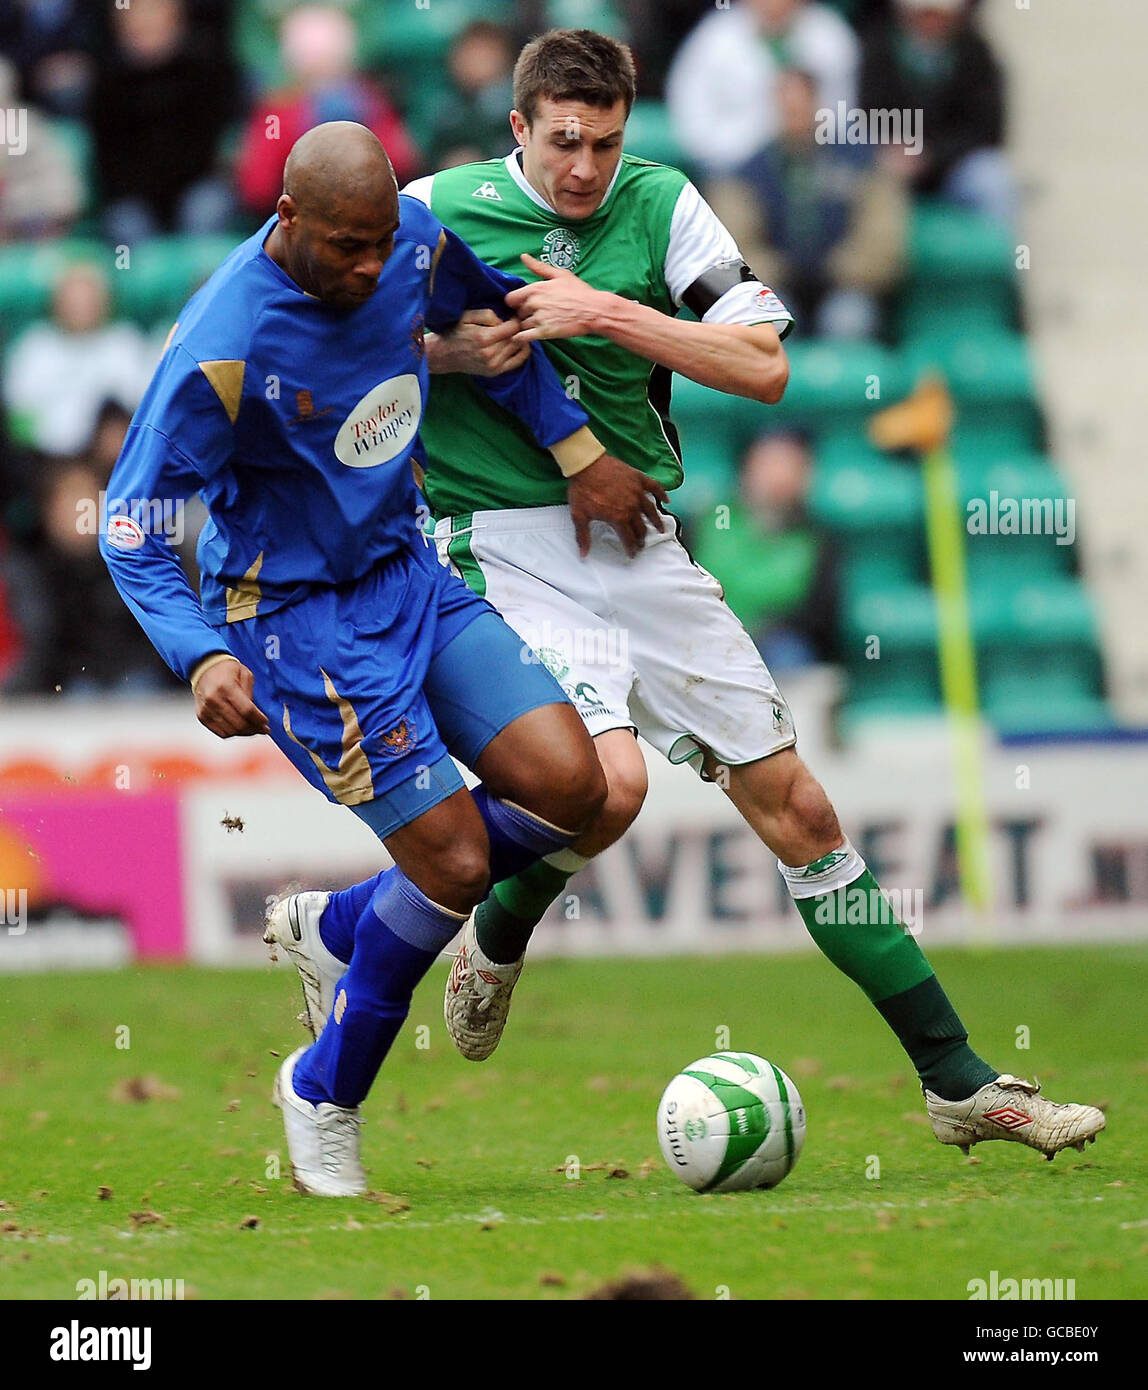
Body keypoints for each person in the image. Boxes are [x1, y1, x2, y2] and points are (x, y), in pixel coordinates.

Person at [350, 27, 1096, 1164]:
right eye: (563, 142)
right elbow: (348, 346)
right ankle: (478, 929)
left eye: (604, 142)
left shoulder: (663, 206)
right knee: (607, 785)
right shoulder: (435, 207)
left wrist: (607, 311)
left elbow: (763, 365)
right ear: (518, 129)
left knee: (797, 807)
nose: (584, 168)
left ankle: (957, 1083)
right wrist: (455, 359)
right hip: (494, 536)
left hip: (635, 534)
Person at [99, 120, 669, 1196]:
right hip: (298, 620)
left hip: (409, 572)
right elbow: (130, 522)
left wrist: (576, 447)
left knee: (571, 788)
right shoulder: (222, 346)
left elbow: (489, 324)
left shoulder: (410, 235)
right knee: (452, 865)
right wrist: (197, 653)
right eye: (346, 248)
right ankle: (323, 1088)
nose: (372, 267)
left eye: (379, 242)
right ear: (288, 220)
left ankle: (338, 924)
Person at [691, 431, 840, 672]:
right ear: (746, 469)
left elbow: (820, 615)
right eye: (770, 465)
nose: (778, 479)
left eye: (790, 468)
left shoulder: (816, 540)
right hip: (703, 634)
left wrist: (758, 629)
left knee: (790, 654)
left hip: (774, 645)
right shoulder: (706, 523)